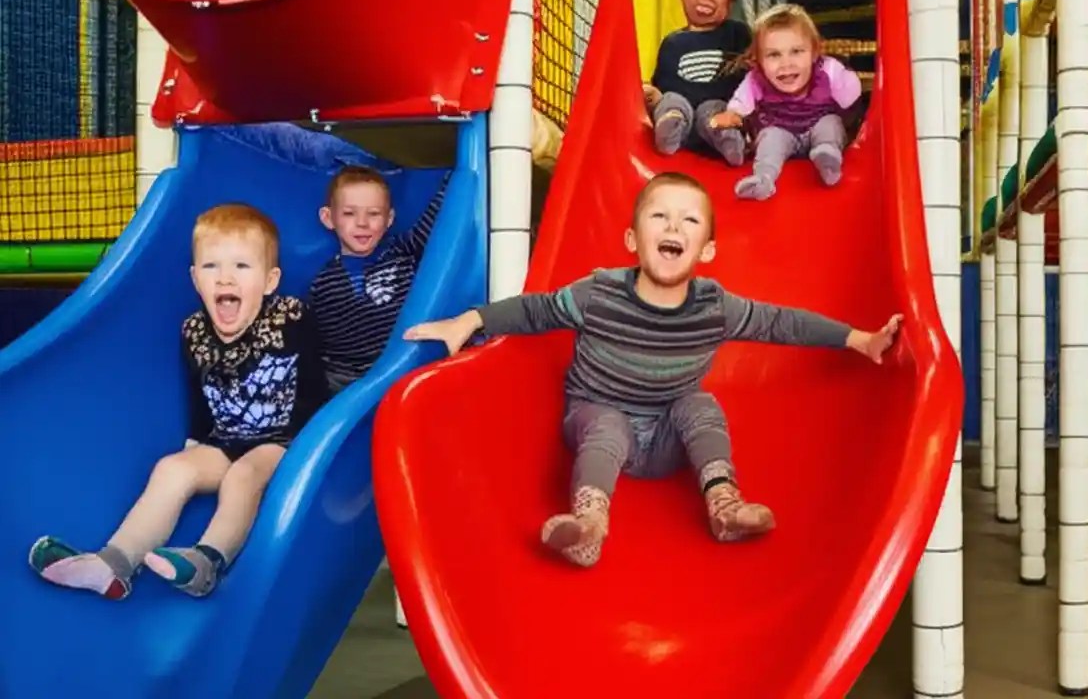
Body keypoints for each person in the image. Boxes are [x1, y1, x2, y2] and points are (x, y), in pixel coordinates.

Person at [402, 172, 902, 568]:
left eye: (689, 222)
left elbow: (782, 324)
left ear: (706, 250)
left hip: (667, 441)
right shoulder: (597, 294)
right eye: (659, 216)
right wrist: (469, 319)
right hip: (597, 422)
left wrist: (858, 338)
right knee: (607, 422)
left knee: (700, 403)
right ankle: (590, 524)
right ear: (632, 239)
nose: (672, 228)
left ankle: (723, 504)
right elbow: (536, 311)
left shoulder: (714, 307)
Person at [28, 204, 330, 599]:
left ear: (270, 280)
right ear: (195, 278)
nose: (225, 277)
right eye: (211, 267)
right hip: (226, 441)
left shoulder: (291, 318)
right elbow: (199, 389)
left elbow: (314, 381)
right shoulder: (193, 330)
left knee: (243, 477)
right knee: (172, 468)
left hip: (285, 441)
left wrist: (318, 446)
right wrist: (195, 442)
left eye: (242, 266)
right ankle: (113, 566)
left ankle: (207, 561)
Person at [307, 165, 451, 392]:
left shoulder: (400, 250)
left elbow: (433, 225)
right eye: (349, 213)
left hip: (401, 365)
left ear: (389, 218)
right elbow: (322, 345)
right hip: (348, 378)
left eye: (373, 213)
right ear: (328, 218)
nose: (362, 223)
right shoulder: (324, 281)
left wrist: (450, 183)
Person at [711, 3, 864, 201]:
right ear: (758, 60)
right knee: (769, 137)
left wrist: (850, 90)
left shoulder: (828, 70)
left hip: (818, 125)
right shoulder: (756, 80)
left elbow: (850, 96)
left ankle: (828, 160)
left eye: (796, 52)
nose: (786, 64)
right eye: (774, 55)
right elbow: (741, 102)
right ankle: (763, 179)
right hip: (780, 129)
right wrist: (732, 114)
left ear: (814, 52)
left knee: (831, 123)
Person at [643, 0, 752, 165]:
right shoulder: (672, 43)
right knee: (672, 102)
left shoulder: (736, 33)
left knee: (713, 108)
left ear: (729, 5)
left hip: (717, 118)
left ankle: (729, 141)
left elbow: (750, 78)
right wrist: (651, 95)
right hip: (683, 124)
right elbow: (663, 87)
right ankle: (669, 131)